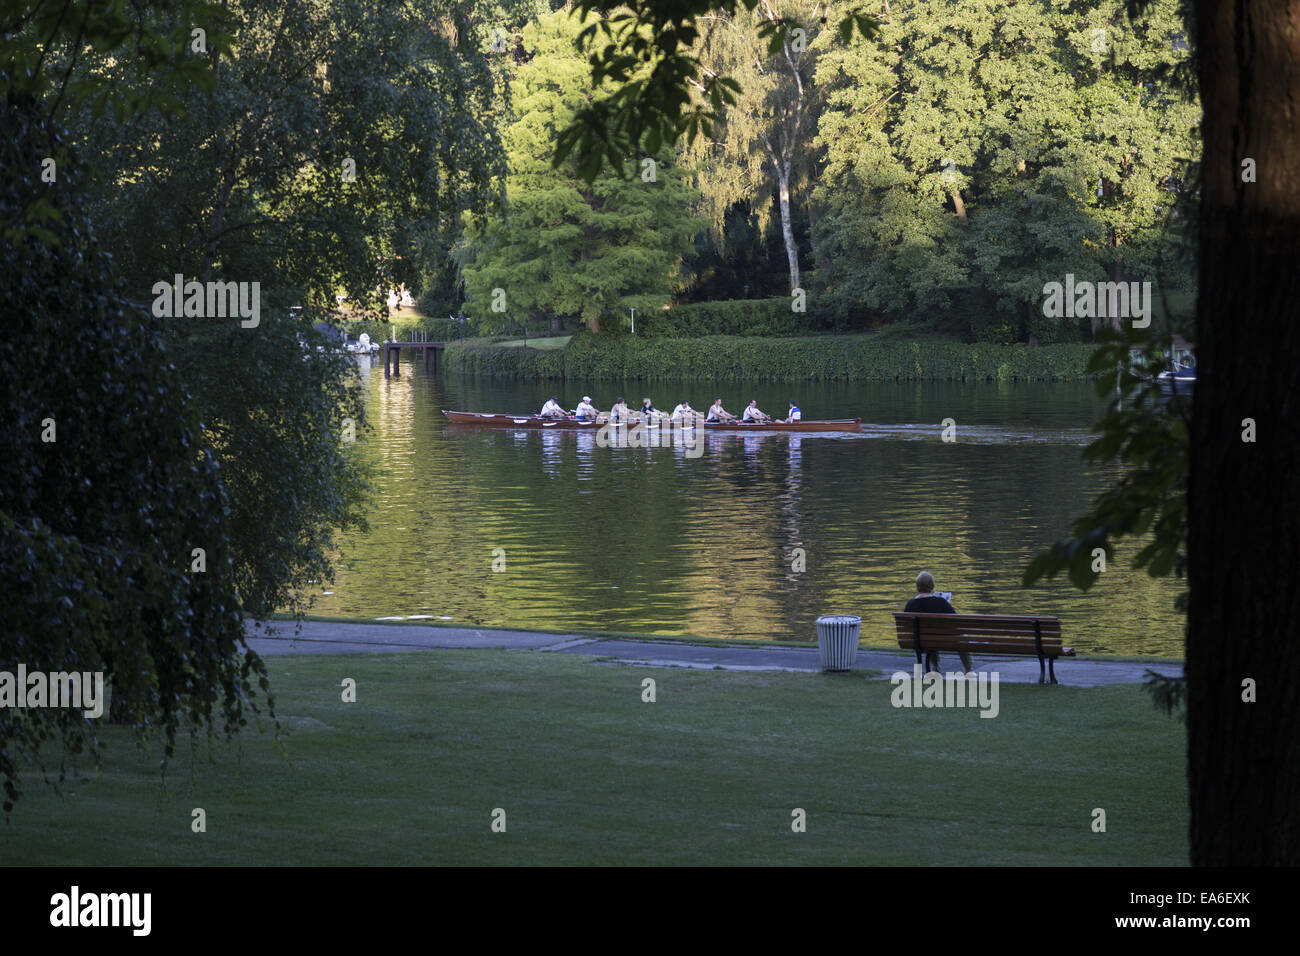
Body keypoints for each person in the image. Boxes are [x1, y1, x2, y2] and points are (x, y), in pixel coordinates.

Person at [904, 571, 972, 674]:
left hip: (919, 640)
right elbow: (957, 621)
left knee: (930, 637)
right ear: (931, 586)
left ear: (917, 586)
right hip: (942, 639)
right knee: (962, 637)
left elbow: (906, 625)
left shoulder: (910, 604)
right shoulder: (940, 602)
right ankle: (968, 669)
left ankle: (935, 667)